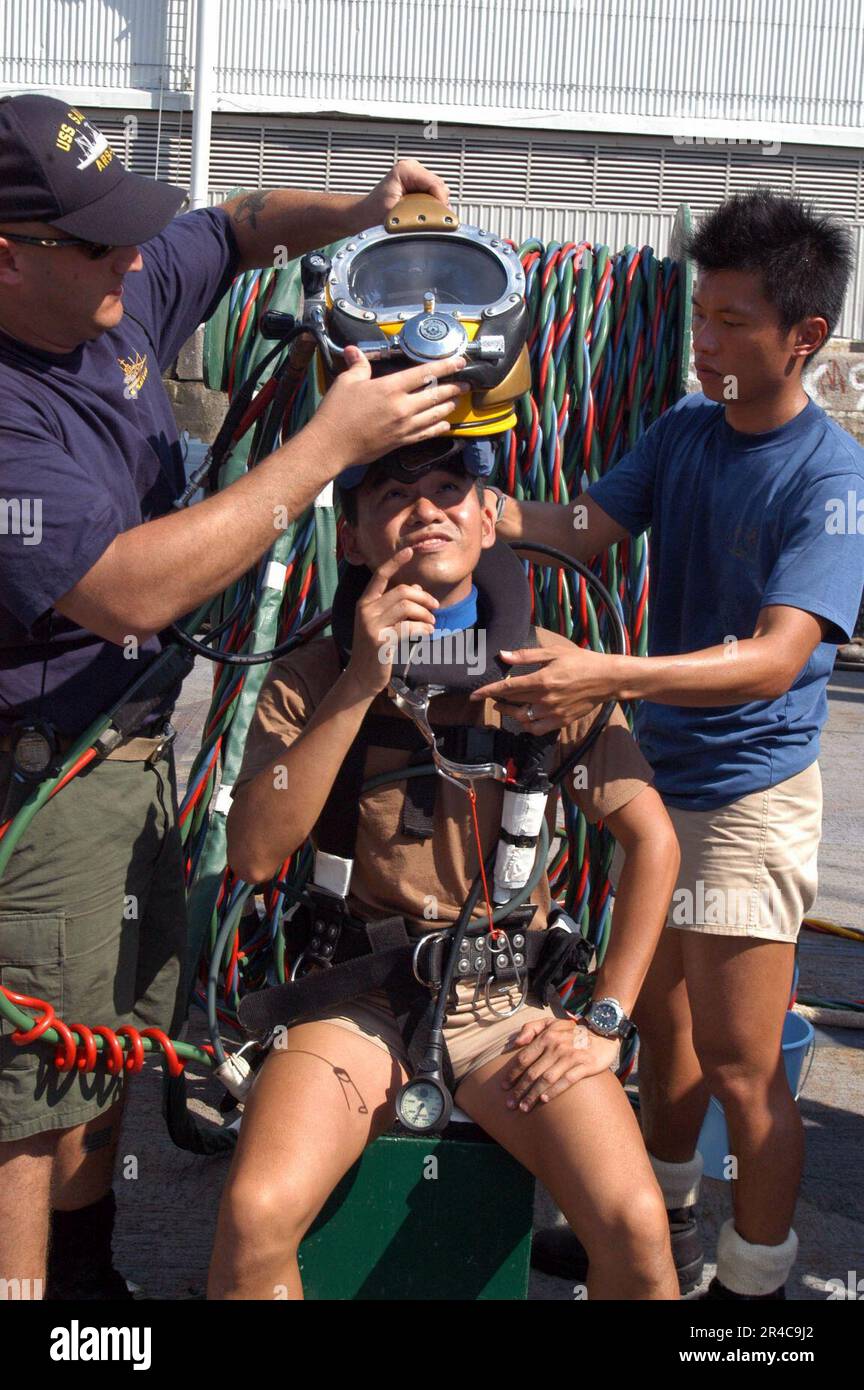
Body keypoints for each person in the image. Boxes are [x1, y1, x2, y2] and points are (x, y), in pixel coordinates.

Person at [0, 92, 468, 1301]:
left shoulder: (120, 291)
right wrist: (324, 450)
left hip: (132, 756)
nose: (134, 256)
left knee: (104, 1042)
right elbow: (126, 591)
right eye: (97, 240)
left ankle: (89, 1277)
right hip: (49, 775)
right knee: (29, 1078)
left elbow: (244, 223)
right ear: (6, 255)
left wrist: (364, 211)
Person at [482, 188, 864, 1299]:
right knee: (665, 1030)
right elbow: (590, 527)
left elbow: (778, 656)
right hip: (667, 777)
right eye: (700, 315)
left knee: (749, 1070)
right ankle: (670, 1230)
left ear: (805, 338)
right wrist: (485, 509)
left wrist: (607, 675)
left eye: (733, 322)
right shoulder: (690, 426)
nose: (704, 341)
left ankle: (757, 1287)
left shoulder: (832, 482)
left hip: (747, 792)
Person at [208, 439, 683, 1300]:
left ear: (488, 516)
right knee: (255, 1212)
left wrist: (606, 1020)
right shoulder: (312, 677)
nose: (427, 508)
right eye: (392, 495)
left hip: (509, 1011)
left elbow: (653, 843)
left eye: (448, 489)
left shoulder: (549, 671)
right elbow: (253, 853)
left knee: (638, 1232)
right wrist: (361, 679)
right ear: (350, 539)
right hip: (359, 998)